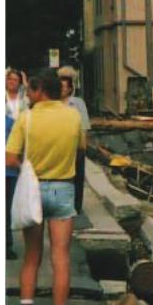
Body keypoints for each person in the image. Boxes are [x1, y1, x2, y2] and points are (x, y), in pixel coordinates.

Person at [5, 69, 85, 305]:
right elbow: (81, 147)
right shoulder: (73, 116)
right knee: (60, 257)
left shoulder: (26, 118)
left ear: (41, 92)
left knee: (31, 256)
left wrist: (27, 168)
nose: (27, 94)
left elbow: (9, 158)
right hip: (63, 189)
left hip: (33, 190)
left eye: (31, 90)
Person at [58, 68, 90, 214]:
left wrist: (83, 146)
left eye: (64, 87)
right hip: (59, 145)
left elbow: (84, 124)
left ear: (70, 88)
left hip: (76, 145)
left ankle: (76, 206)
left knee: (77, 176)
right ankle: (62, 202)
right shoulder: (54, 103)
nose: (61, 90)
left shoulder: (78, 103)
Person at [5, 106, 18, 258]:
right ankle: (6, 246)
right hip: (8, 173)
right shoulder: (11, 123)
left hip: (8, 172)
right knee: (6, 210)